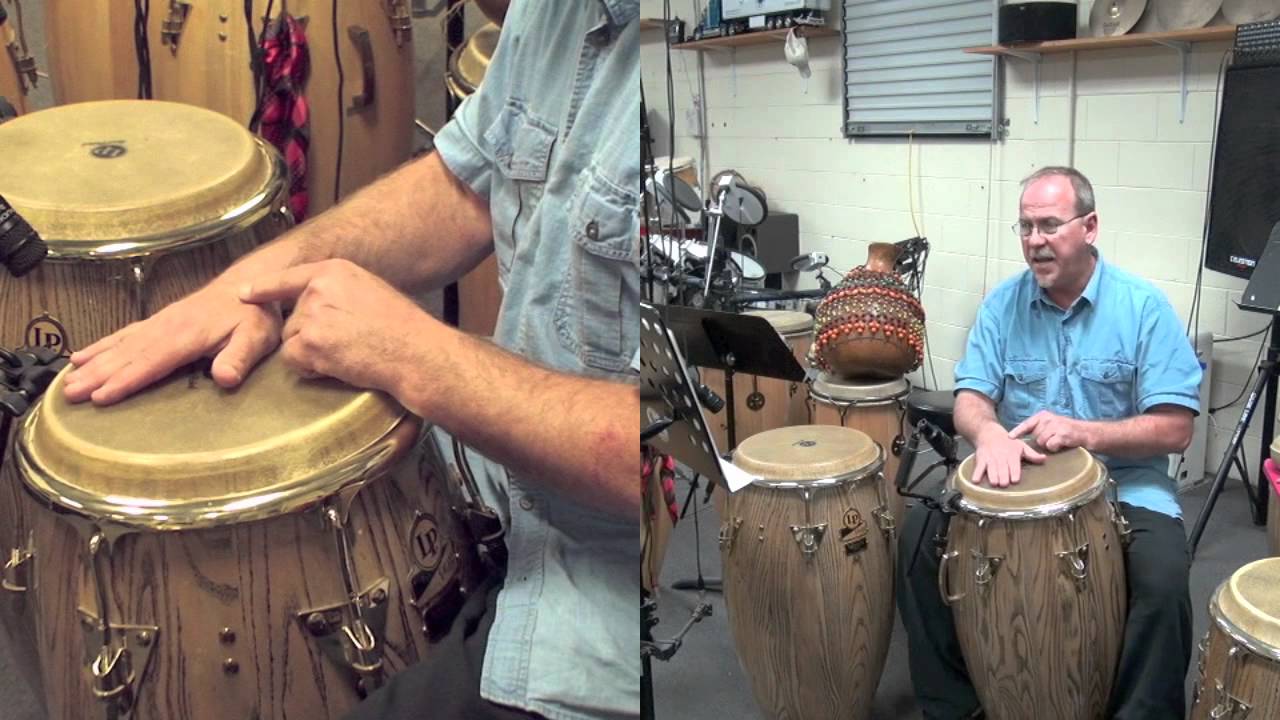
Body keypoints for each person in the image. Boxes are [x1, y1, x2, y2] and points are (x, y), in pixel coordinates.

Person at [61, 2, 641, 719]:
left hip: (611, 606)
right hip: (495, 495)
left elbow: (709, 463)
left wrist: (417, 355)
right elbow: (463, 184)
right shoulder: (564, 13)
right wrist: (256, 282)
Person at [896, 166, 1202, 720]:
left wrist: (1085, 432)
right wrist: (987, 433)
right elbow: (970, 397)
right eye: (1025, 227)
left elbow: (1176, 426)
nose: (1035, 240)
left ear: (1089, 227)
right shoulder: (1002, 306)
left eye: (1050, 225)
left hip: (1122, 485)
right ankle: (958, 704)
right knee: (918, 541)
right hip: (1015, 481)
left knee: (1162, 580)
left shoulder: (1143, 308)